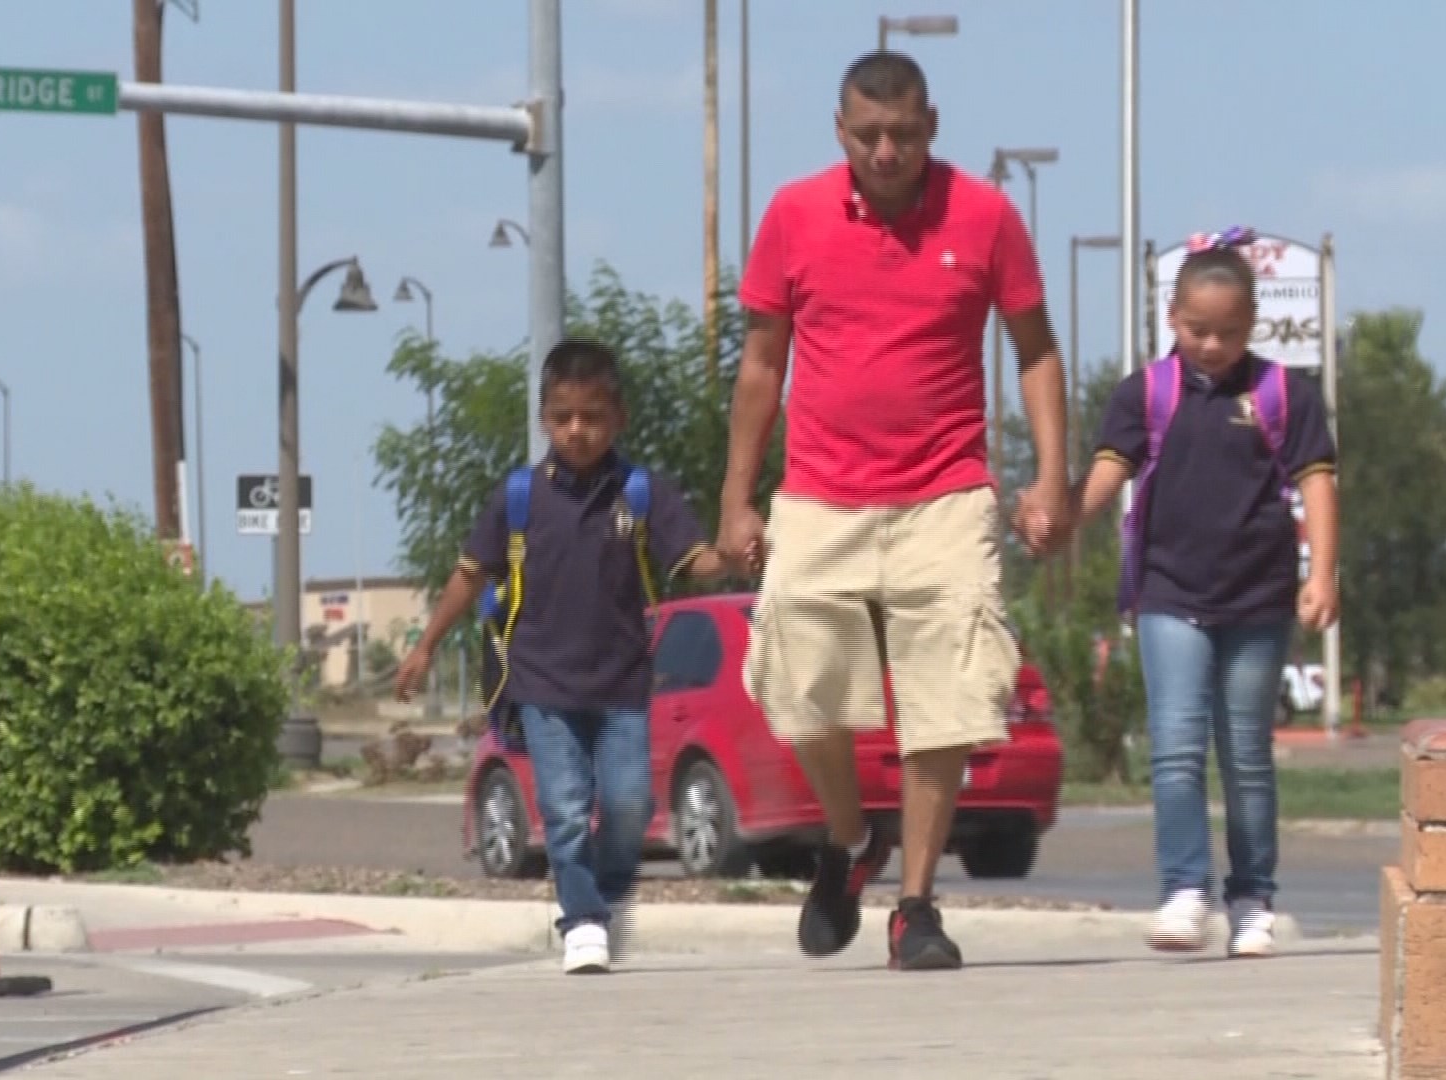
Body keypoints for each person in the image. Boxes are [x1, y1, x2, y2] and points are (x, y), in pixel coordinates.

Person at [719, 50, 1071, 972]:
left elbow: (1036, 351)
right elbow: (761, 365)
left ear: (932, 126)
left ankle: (915, 905)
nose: (886, 151)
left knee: (946, 692)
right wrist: (737, 501)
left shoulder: (985, 216)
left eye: (904, 134)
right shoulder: (793, 216)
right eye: (869, 134)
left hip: (947, 493)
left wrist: (1052, 479)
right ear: (840, 133)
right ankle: (848, 842)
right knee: (799, 673)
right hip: (821, 494)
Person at [1037, 227, 1338, 957]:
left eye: (1229, 332)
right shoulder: (1147, 392)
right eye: (1198, 330)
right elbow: (1110, 473)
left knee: (1244, 753)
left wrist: (1321, 573)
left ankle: (1253, 900)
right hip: (1170, 596)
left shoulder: (1282, 394)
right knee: (1174, 750)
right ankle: (1184, 890)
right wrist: (1063, 511)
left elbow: (1317, 482)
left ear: (1254, 325)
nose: (1211, 345)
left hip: (1258, 600)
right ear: (1172, 319)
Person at [396, 338, 726, 975]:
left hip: (623, 682)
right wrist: (426, 645)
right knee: (565, 809)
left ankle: (596, 895)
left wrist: (736, 554)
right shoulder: (519, 498)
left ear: (619, 418)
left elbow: (697, 562)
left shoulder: (642, 492)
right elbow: (469, 575)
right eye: (562, 418)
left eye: (591, 418)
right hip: (543, 683)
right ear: (544, 419)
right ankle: (582, 921)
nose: (576, 432)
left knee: (629, 805)